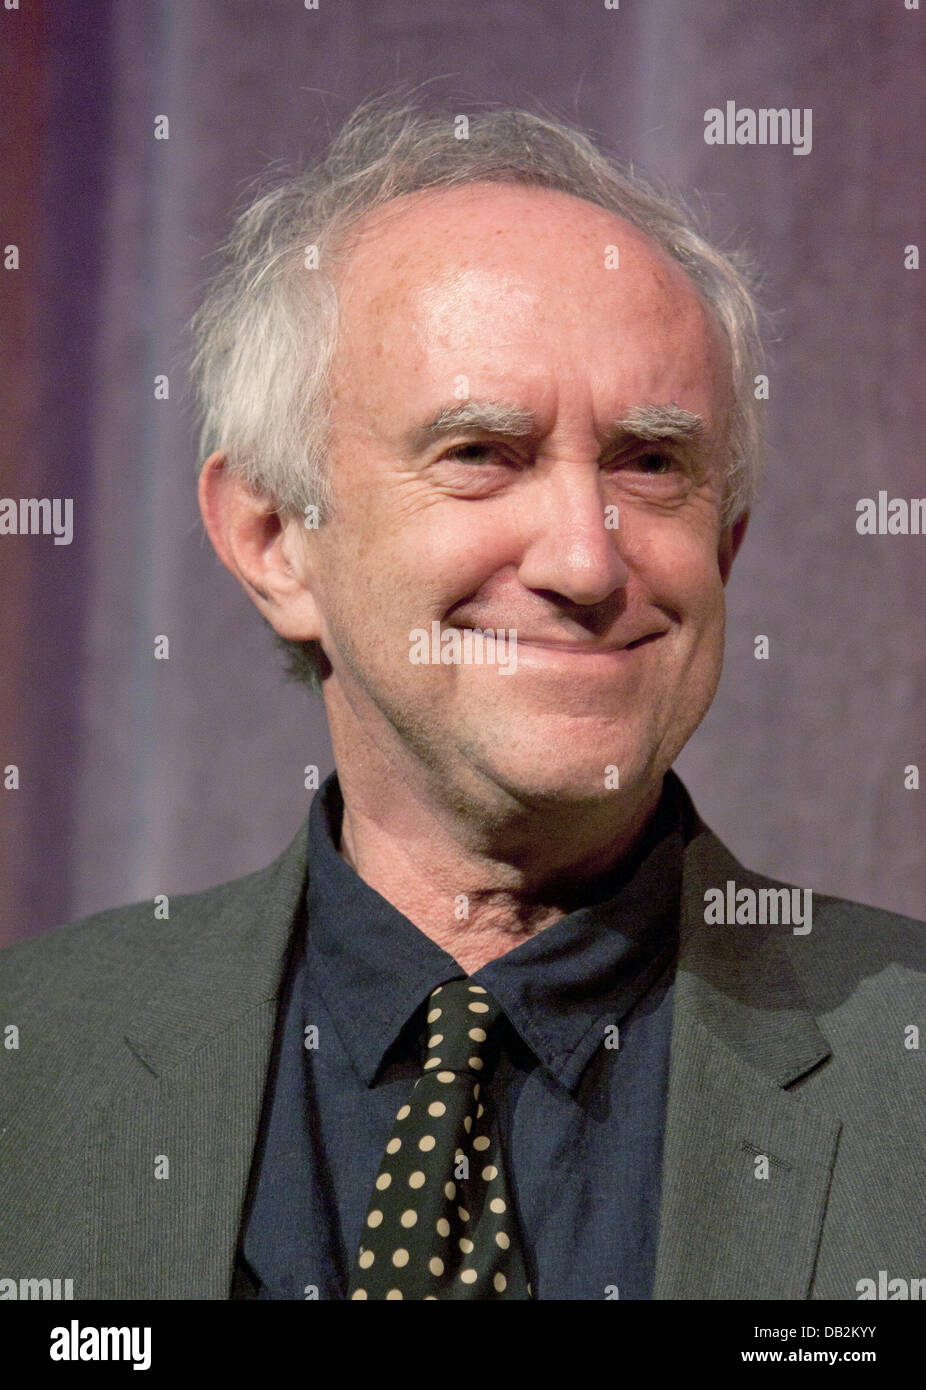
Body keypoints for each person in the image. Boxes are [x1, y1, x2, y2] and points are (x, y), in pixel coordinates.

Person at [2, 97, 923, 1302]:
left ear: (726, 545)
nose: (586, 562)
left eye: (651, 464)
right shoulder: (36, 1064)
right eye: (481, 453)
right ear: (275, 539)